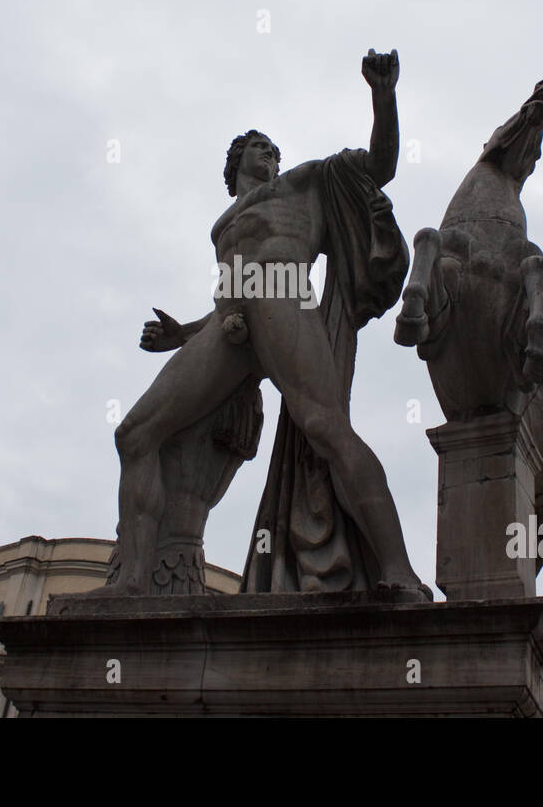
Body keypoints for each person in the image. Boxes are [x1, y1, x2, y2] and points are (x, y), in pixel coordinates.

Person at [105, 49, 427, 600]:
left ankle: (398, 569)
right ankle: (133, 583)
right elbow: (233, 288)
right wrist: (181, 334)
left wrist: (383, 95)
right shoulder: (221, 225)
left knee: (323, 425)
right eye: (260, 148)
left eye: (274, 149)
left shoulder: (305, 183)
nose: (272, 154)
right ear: (235, 164)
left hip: (280, 293)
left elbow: (381, 165)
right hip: (229, 320)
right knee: (134, 434)